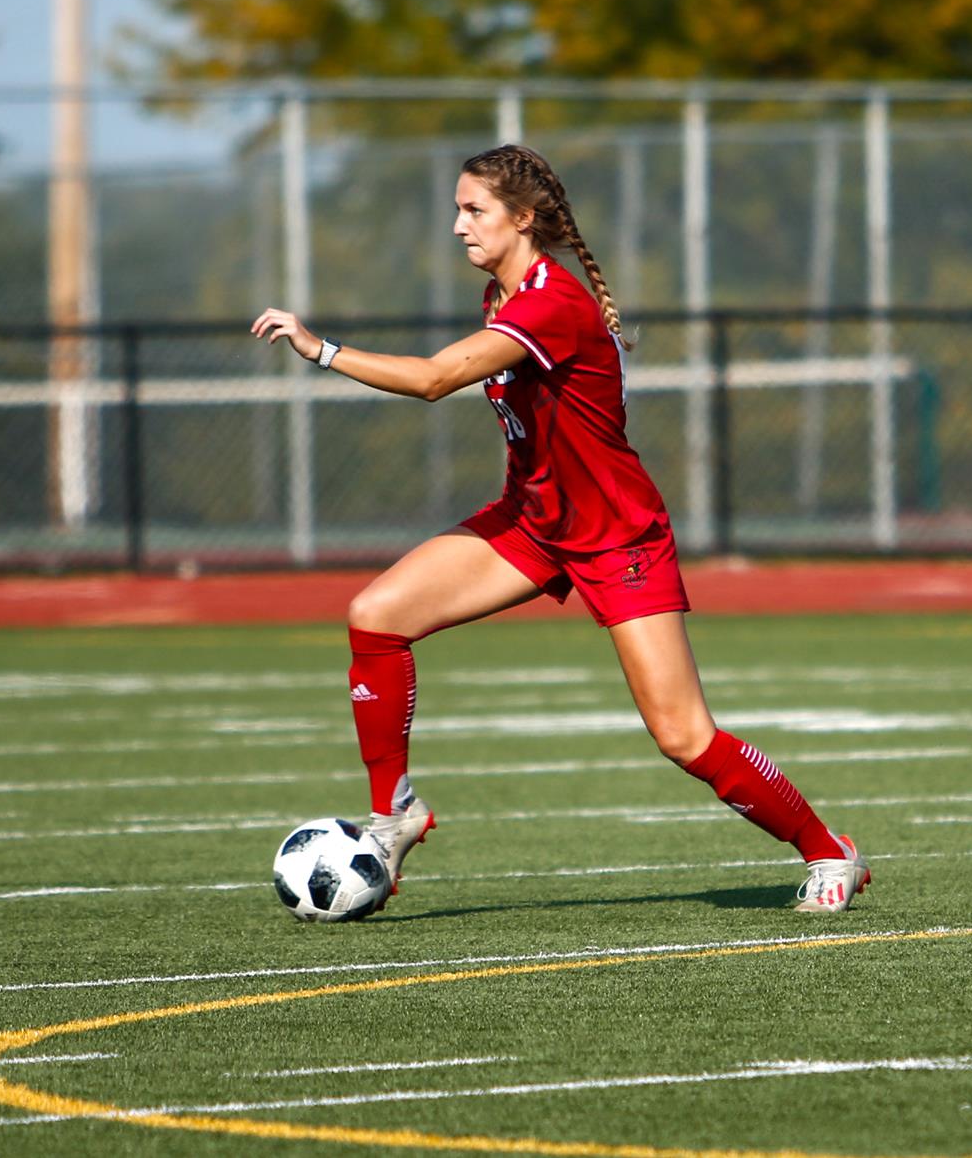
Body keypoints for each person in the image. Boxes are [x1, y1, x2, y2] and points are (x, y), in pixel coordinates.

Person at [252, 143, 868, 914]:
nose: (457, 225)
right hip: (535, 522)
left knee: (684, 737)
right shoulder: (501, 295)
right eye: (457, 208)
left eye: (473, 210)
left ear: (523, 217)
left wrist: (321, 348)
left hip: (617, 536)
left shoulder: (549, 303)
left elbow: (436, 379)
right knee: (375, 616)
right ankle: (394, 814)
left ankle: (827, 850)